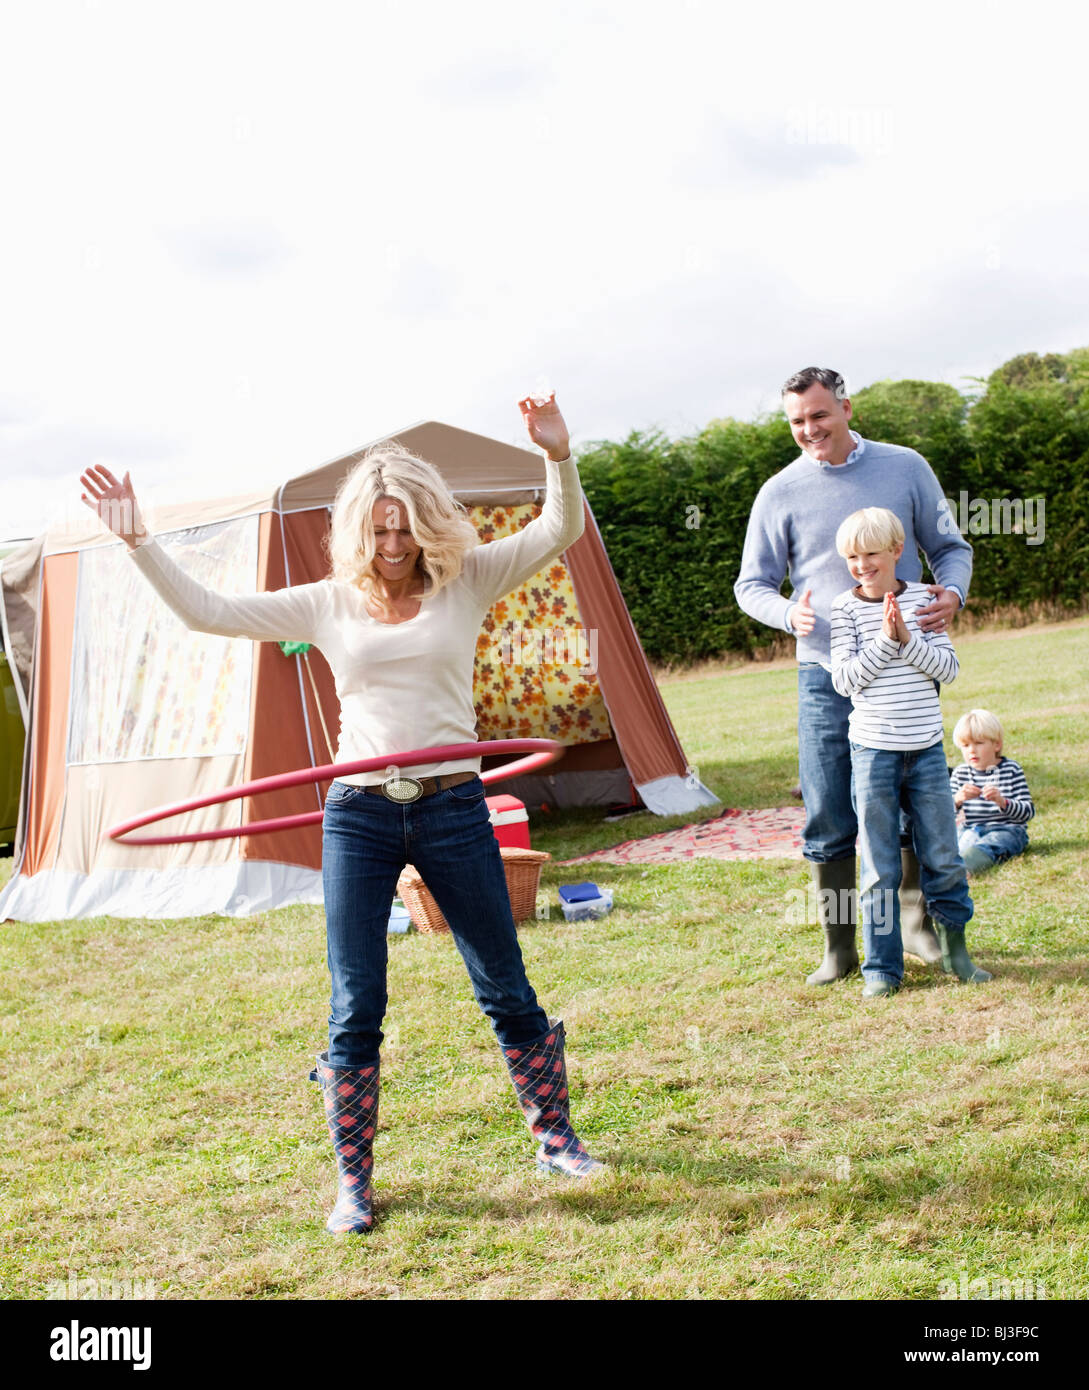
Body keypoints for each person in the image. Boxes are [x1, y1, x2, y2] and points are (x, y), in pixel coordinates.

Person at [80, 393, 602, 1237]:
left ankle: (555, 1140)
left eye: (406, 531)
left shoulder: (468, 578)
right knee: (356, 999)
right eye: (380, 532)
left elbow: (556, 531)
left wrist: (557, 454)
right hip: (358, 811)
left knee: (502, 981)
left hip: (453, 806)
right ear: (359, 532)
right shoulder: (326, 601)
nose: (393, 548)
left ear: (431, 528)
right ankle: (353, 1185)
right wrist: (137, 539)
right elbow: (207, 613)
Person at [735, 366, 974, 985]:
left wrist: (952, 593)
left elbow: (950, 549)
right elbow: (750, 585)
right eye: (796, 421)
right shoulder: (779, 492)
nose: (809, 429)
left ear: (845, 407)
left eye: (818, 415)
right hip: (824, 674)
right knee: (829, 812)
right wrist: (790, 613)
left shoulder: (906, 467)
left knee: (914, 801)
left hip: (905, 670)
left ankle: (917, 927)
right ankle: (840, 948)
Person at [829, 508, 990, 996]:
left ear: (897, 551)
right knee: (879, 863)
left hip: (925, 751)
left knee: (942, 853)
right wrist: (885, 640)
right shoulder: (844, 609)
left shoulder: (925, 600)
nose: (861, 564)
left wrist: (907, 640)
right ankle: (882, 966)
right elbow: (844, 681)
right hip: (873, 753)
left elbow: (947, 669)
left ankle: (956, 950)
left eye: (871, 554)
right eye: (852, 557)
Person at [950, 709, 1035, 873]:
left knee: (996, 842)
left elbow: (1028, 812)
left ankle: (967, 867)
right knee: (953, 844)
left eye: (979, 743)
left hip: (1006, 829)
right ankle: (951, 865)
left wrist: (1003, 802)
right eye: (966, 745)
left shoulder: (1011, 769)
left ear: (997, 744)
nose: (972, 750)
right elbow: (945, 816)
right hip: (970, 829)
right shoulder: (960, 773)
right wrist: (957, 800)